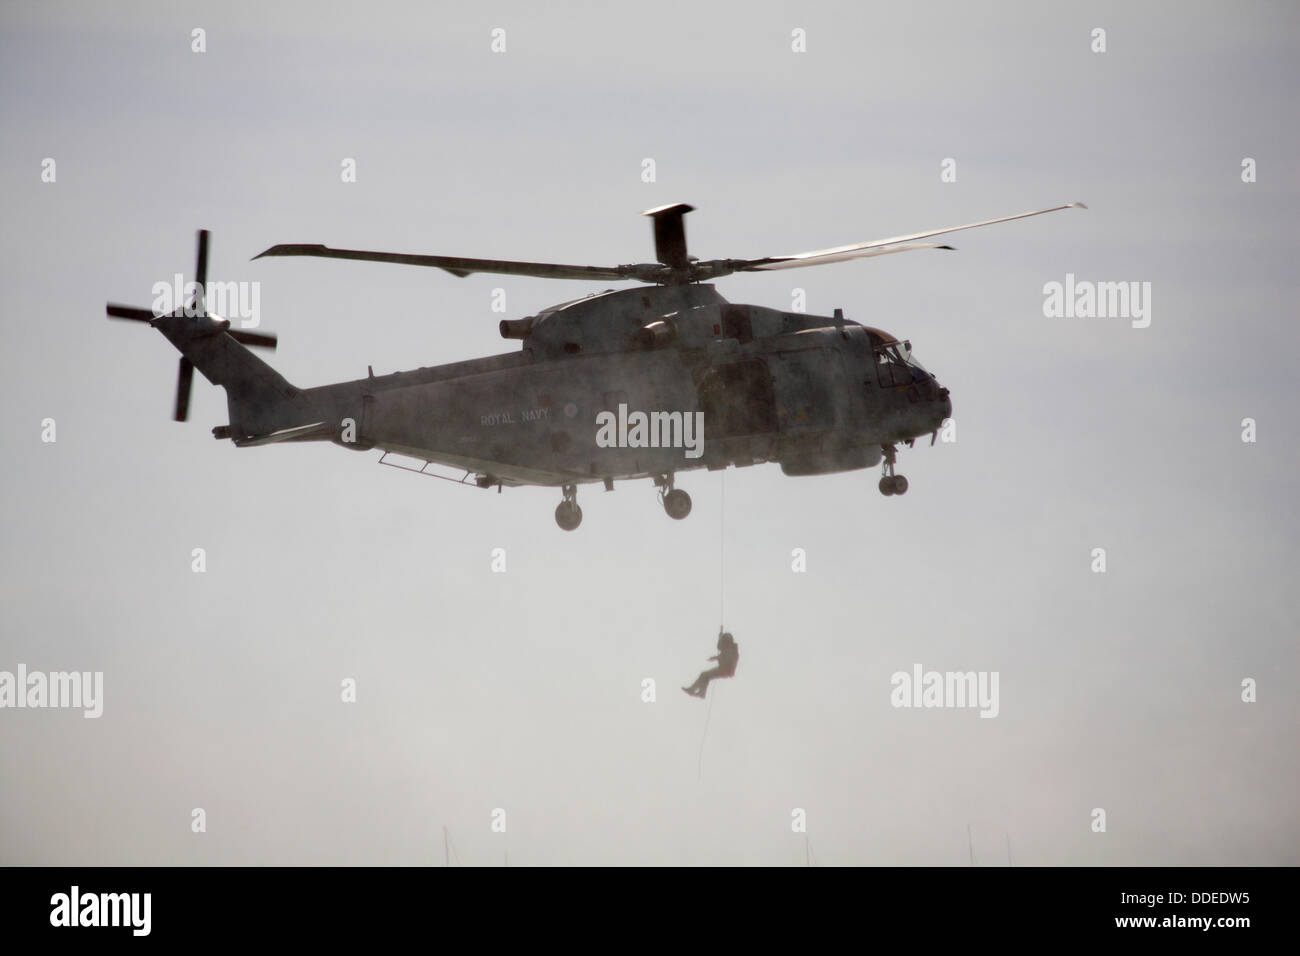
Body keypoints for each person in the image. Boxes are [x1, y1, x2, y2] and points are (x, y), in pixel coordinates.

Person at [682, 629, 739, 698]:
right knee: (705, 676)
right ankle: (701, 693)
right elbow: (719, 647)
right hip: (724, 669)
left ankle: (698, 692)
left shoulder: (731, 650)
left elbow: (726, 657)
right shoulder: (730, 648)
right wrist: (720, 636)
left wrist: (716, 657)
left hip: (726, 670)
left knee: (704, 675)